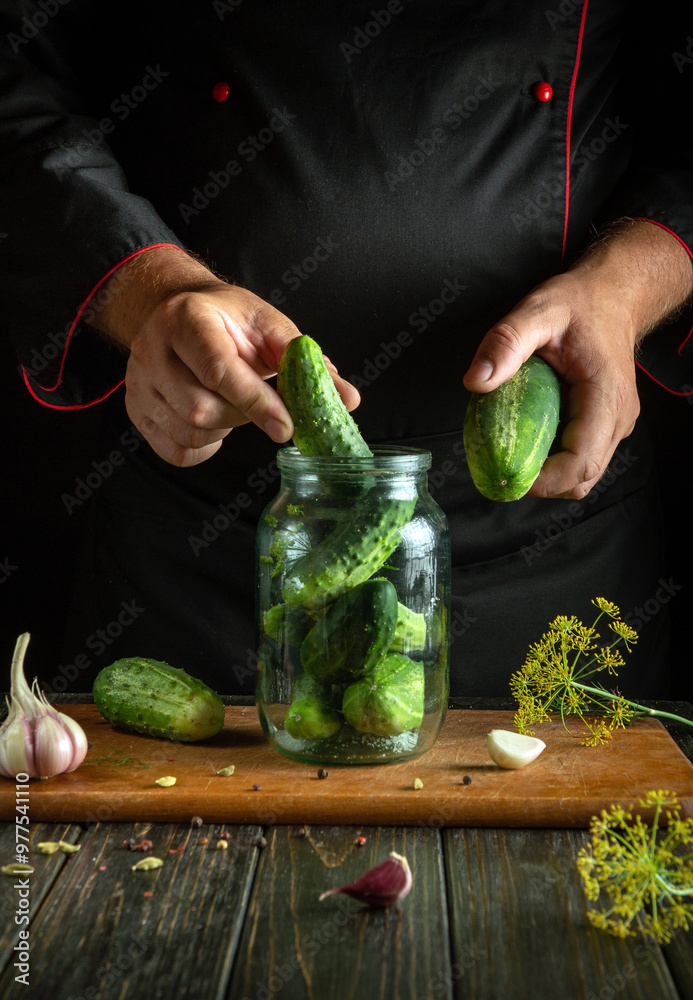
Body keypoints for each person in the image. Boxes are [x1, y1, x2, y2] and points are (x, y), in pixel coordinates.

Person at [1, 1, 692, 697]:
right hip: (207, 527)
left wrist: (625, 287)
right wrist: (147, 287)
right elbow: (16, 77)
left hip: (552, 537)